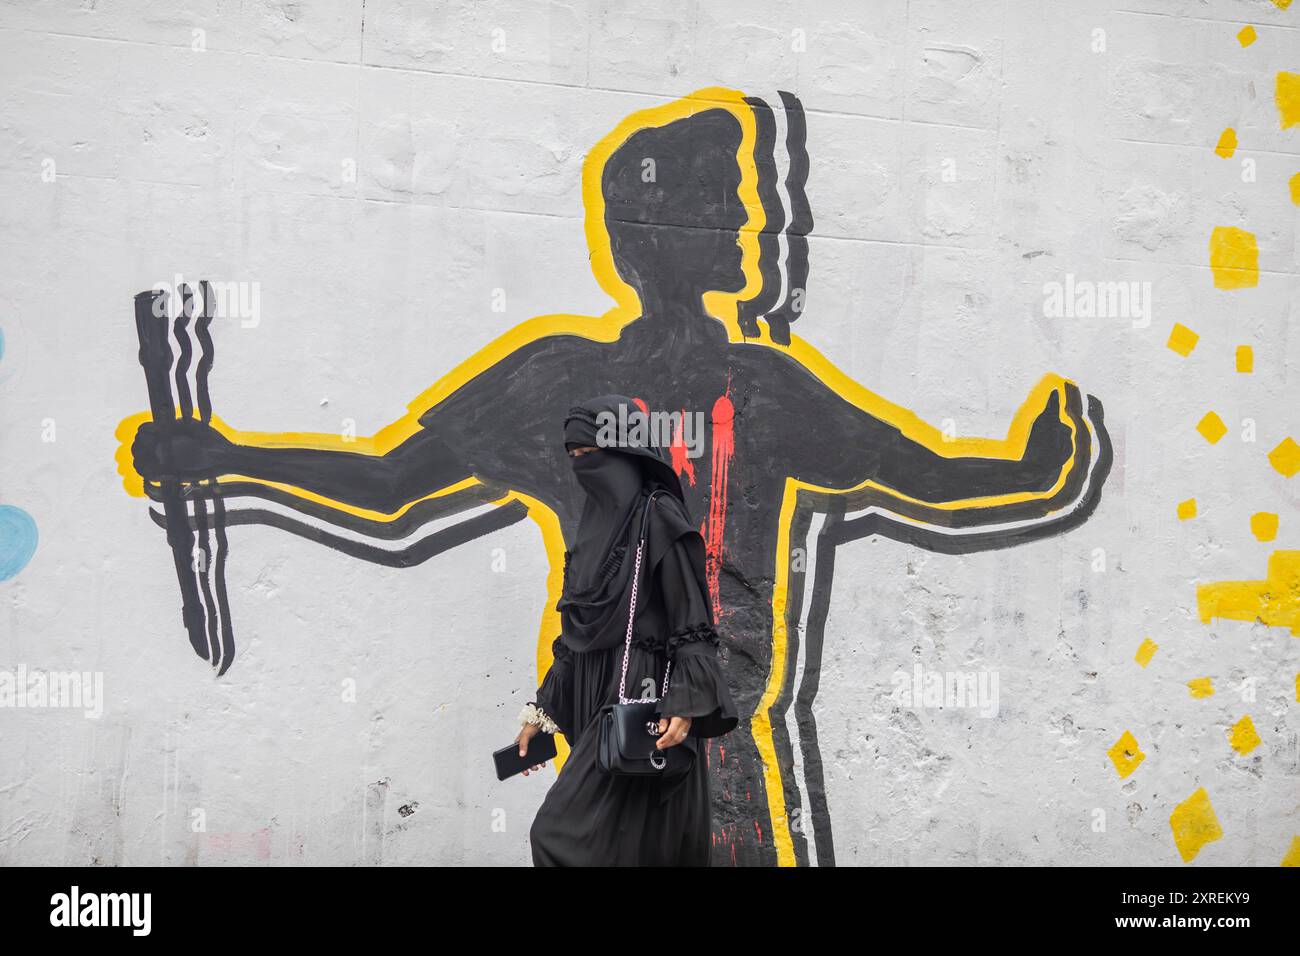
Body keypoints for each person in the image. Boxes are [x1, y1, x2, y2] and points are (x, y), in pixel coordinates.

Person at [515, 394, 738, 866]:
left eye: (591, 455)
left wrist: (685, 702)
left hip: (643, 700)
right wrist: (544, 711)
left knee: (557, 835)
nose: (582, 467)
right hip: (595, 695)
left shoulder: (659, 516)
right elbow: (578, 633)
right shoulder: (593, 529)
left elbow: (692, 618)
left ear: (624, 452)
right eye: (574, 456)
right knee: (623, 849)